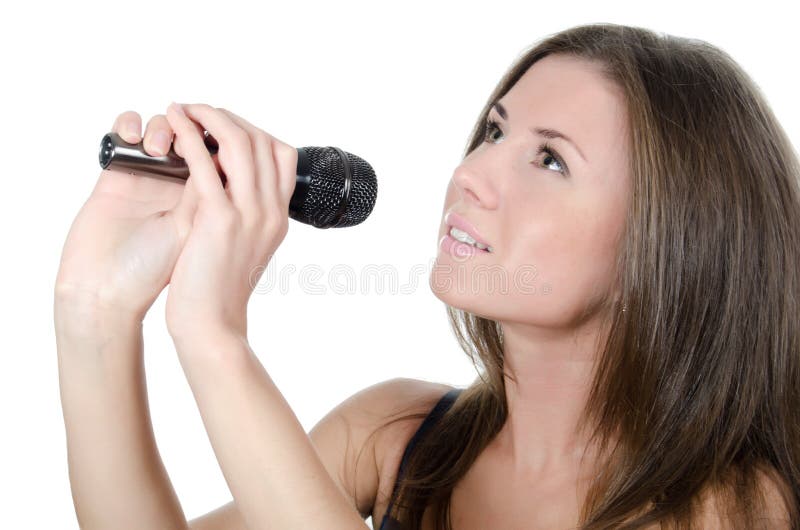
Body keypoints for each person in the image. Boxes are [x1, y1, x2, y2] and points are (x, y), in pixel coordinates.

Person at [53, 22, 799, 530]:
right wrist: (95, 311)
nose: (472, 172)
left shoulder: (731, 507)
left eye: (550, 159)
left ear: (671, 244)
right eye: (495, 132)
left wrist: (216, 342)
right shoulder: (395, 436)